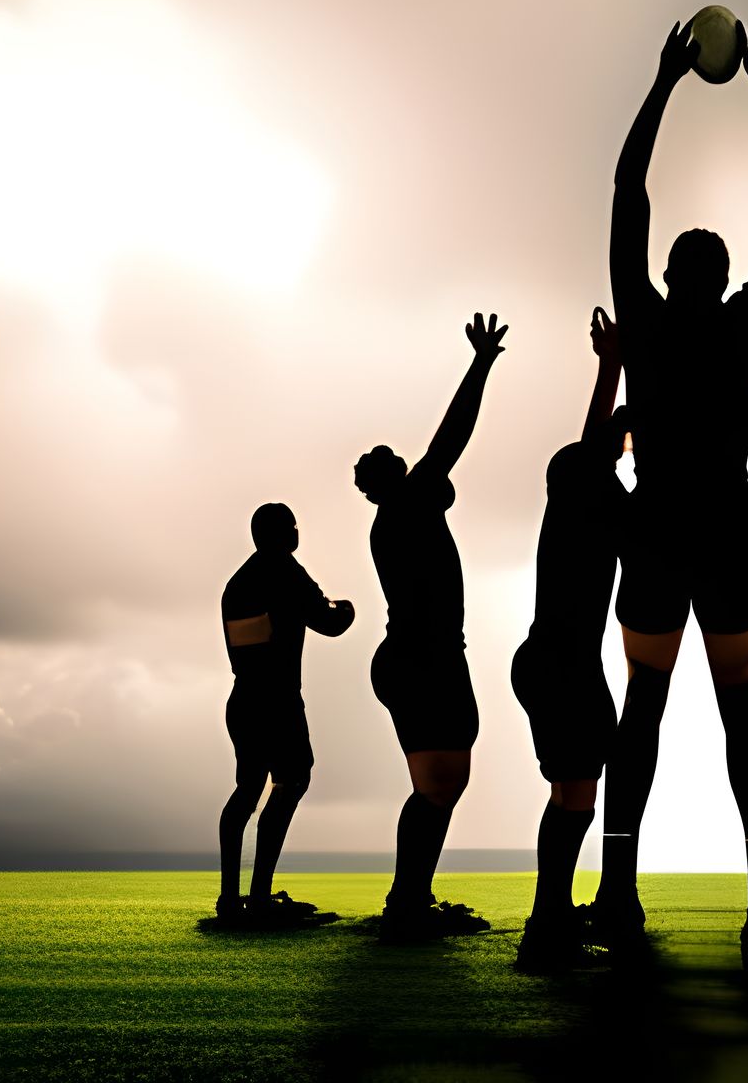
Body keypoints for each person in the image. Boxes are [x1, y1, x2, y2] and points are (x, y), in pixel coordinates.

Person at [594, 20, 748, 972]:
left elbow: (627, 190)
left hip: (656, 535)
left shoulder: (639, 319)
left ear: (671, 275)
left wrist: (663, 83)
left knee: (643, 707)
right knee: (740, 712)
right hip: (727, 534)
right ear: (723, 279)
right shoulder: (744, 328)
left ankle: (615, 891)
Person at [354, 311, 508, 943]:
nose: (415, 464)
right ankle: (407, 902)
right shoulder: (408, 505)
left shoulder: (402, 513)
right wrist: (480, 363)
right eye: (398, 463)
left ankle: (410, 897)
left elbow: (443, 451)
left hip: (422, 659)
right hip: (422, 660)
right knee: (440, 786)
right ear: (386, 484)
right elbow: (452, 436)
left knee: (443, 785)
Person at [511, 308, 631, 972]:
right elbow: (595, 446)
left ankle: (550, 919)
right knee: (576, 796)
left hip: (554, 663)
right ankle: (546, 927)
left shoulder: (591, 495)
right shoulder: (591, 487)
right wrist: (611, 368)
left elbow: (597, 445)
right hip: (561, 666)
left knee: (573, 795)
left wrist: (612, 367)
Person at [218, 502, 355, 926]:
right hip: (277, 700)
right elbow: (329, 622)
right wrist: (347, 608)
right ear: (285, 534)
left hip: (243, 698)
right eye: (294, 527)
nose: (297, 533)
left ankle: (230, 897)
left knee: (247, 789)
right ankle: (258, 897)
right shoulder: (287, 572)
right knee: (292, 779)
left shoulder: (237, 583)